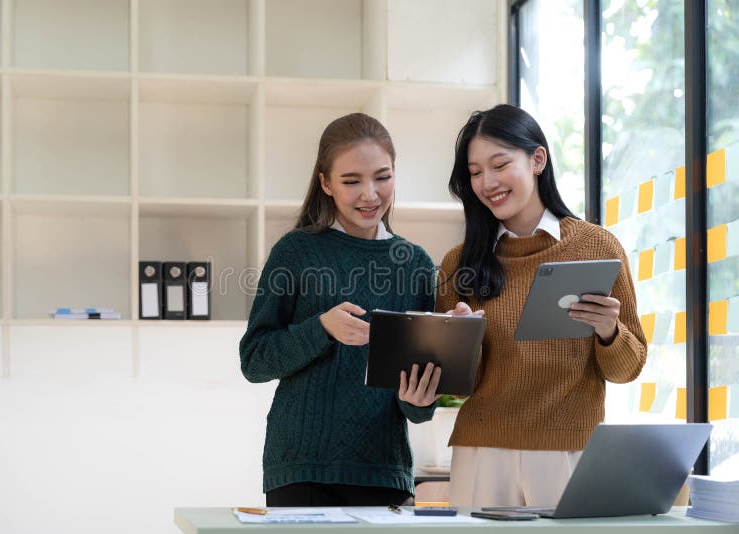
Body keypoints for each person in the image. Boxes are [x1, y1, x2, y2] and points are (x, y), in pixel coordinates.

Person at [436, 104, 647, 507]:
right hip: (483, 452)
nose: (487, 182)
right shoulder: (459, 264)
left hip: (569, 452)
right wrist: (460, 344)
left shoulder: (596, 248)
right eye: (475, 172)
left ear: (537, 159)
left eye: (499, 165)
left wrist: (608, 332)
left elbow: (628, 369)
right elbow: (459, 387)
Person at [240, 112, 441, 507]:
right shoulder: (296, 251)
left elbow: (415, 406)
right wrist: (321, 328)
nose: (370, 193)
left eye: (383, 177)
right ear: (326, 183)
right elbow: (254, 361)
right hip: (301, 470)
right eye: (352, 181)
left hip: (384, 469)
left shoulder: (415, 264)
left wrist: (419, 401)